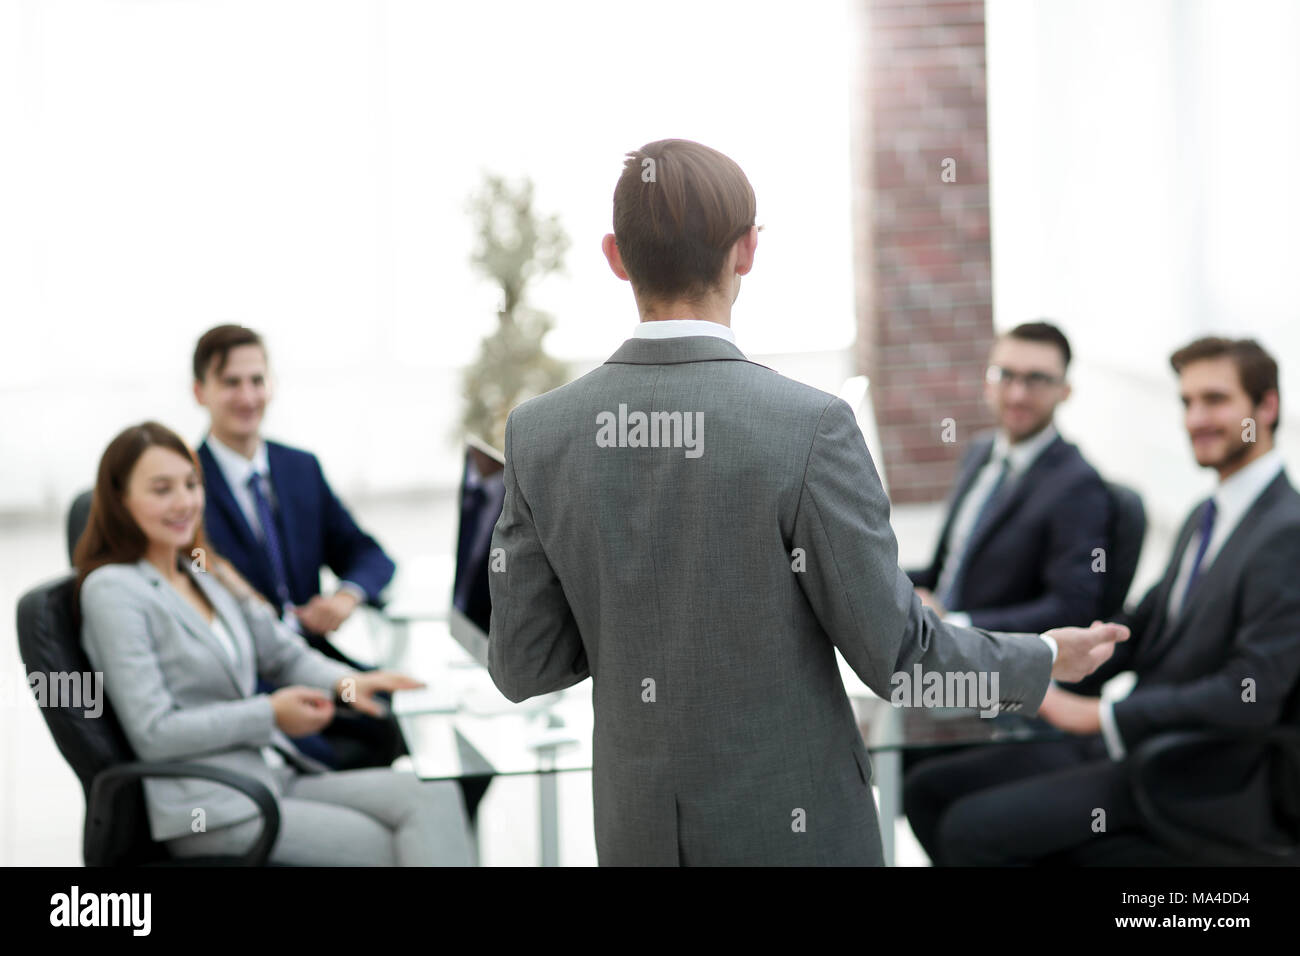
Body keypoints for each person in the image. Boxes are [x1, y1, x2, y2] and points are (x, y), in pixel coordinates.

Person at [486, 138, 1127, 866]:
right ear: (747, 250)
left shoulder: (539, 432)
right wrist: (1045, 655)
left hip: (637, 831)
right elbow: (902, 660)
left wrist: (625, 618)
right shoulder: (810, 426)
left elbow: (523, 665)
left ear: (614, 255)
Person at [904, 335, 1300, 865]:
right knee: (927, 791)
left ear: (1267, 407)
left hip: (1195, 778)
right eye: (1187, 402)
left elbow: (1250, 692)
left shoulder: (1285, 531)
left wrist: (1103, 715)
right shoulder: (1209, 513)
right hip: (1142, 744)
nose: (1195, 419)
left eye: (1216, 400)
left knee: (968, 831)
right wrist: (1047, 664)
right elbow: (1142, 625)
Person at [75, 422, 473, 865]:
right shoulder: (113, 590)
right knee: (395, 848)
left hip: (269, 775)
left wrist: (347, 683)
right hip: (213, 807)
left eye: (191, 484)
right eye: (161, 489)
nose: (184, 501)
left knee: (434, 795)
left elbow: (281, 654)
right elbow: (154, 732)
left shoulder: (202, 568)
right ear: (120, 499)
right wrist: (270, 713)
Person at [191, 324, 403, 770]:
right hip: (251, 680)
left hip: (313, 657)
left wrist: (346, 597)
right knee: (376, 741)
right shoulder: (185, 491)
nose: (248, 397)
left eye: (257, 380)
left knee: (419, 718)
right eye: (231, 382)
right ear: (199, 391)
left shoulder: (299, 469)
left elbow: (369, 555)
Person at [908, 321, 1111, 633]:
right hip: (934, 633)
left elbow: (1073, 608)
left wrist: (954, 625)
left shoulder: (1079, 485)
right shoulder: (979, 451)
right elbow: (944, 572)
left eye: (1037, 380)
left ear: (1065, 392)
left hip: (990, 652)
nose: (1017, 395)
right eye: (1005, 375)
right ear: (987, 383)